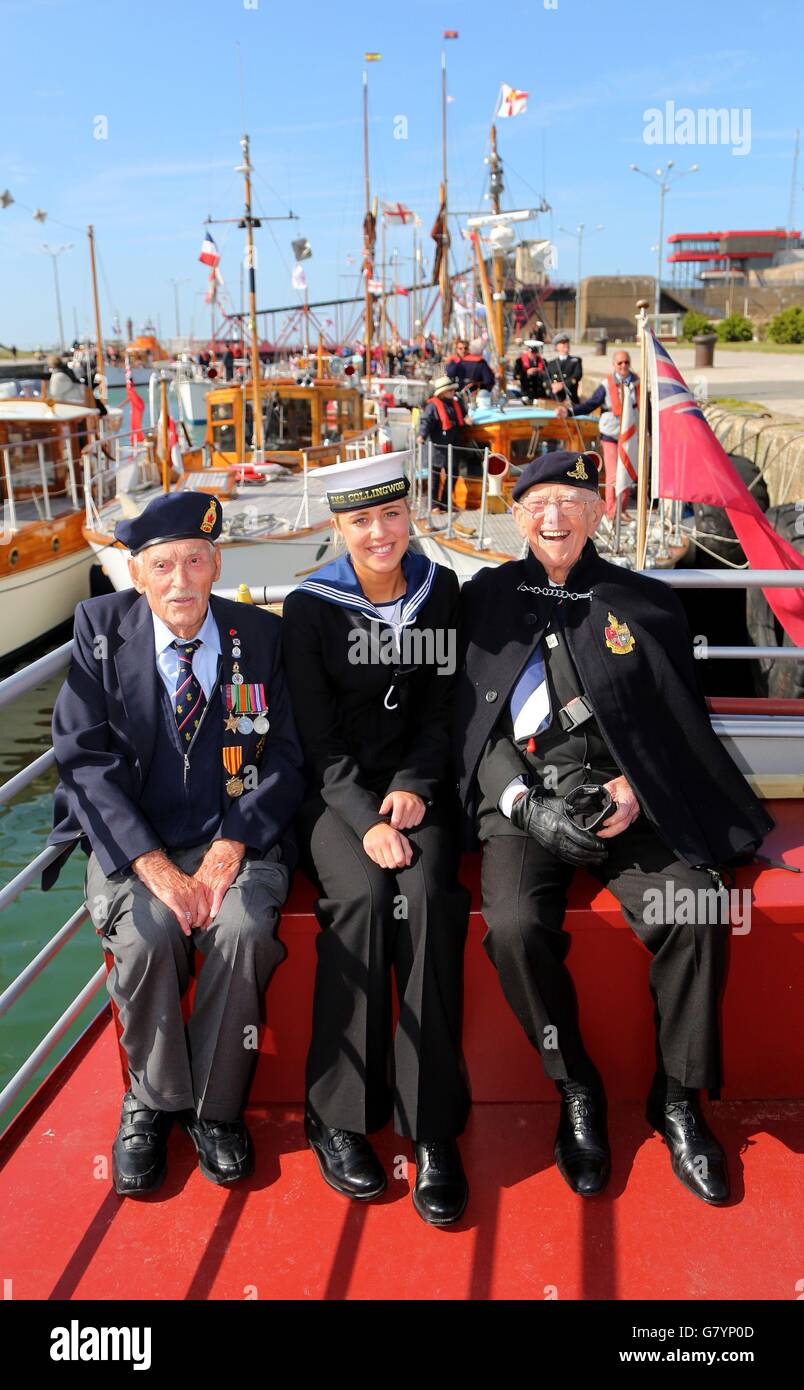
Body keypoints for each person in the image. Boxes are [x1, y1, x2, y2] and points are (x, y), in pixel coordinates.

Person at [454, 449, 773, 1205]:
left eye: (570, 502)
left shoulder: (647, 601)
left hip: (629, 802)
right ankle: (577, 1090)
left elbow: (678, 723)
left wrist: (636, 787)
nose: (553, 518)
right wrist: (523, 805)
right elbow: (471, 726)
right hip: (528, 804)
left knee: (696, 907)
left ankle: (678, 1102)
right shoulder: (484, 600)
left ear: (599, 513)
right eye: (537, 505)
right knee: (511, 926)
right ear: (517, 516)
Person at [46, 491, 305, 1196]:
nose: (181, 580)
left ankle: (216, 1111)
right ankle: (153, 1103)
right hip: (139, 841)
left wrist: (232, 847)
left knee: (245, 928)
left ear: (217, 564)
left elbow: (284, 756)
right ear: (137, 575)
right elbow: (82, 758)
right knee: (148, 936)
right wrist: (154, 867)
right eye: (163, 566)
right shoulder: (100, 629)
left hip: (234, 836)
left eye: (195, 561)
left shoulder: (261, 634)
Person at [282, 452, 471, 1226]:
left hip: (417, 790)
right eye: (361, 519)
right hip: (335, 797)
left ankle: (431, 1127)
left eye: (391, 514)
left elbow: (444, 710)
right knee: (360, 901)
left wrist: (414, 788)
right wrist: (365, 821)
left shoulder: (441, 591)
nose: (380, 532)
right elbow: (318, 742)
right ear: (339, 527)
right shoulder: (311, 609)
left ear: (408, 514)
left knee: (427, 900)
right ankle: (338, 1113)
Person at [562, 350, 639, 518]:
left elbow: (647, 408)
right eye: (620, 363)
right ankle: (612, 512)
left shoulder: (638, 382)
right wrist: (569, 412)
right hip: (611, 435)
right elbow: (591, 404)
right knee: (613, 475)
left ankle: (622, 509)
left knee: (628, 472)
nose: (623, 366)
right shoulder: (607, 384)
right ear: (614, 365)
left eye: (626, 362)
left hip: (631, 435)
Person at [416, 375, 465, 514]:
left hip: (453, 446)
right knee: (435, 478)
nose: (452, 392)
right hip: (437, 447)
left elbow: (463, 416)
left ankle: (445, 503)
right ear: (442, 392)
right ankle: (433, 506)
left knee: (453, 475)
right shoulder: (432, 406)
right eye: (449, 390)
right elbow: (426, 421)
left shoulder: (456, 404)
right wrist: (422, 435)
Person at [545, 331, 583, 407]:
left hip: (570, 400)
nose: (566, 345)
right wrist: (552, 386)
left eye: (567, 342)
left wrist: (563, 386)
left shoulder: (575, 361)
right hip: (554, 399)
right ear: (557, 347)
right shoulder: (551, 363)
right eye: (563, 343)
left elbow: (577, 376)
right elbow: (546, 379)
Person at [513, 339, 550, 403]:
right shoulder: (519, 362)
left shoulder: (543, 361)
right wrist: (527, 373)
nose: (533, 355)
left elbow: (548, 375)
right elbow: (516, 376)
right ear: (528, 351)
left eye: (535, 353)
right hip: (526, 393)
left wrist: (541, 372)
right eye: (531, 352)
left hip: (540, 393)